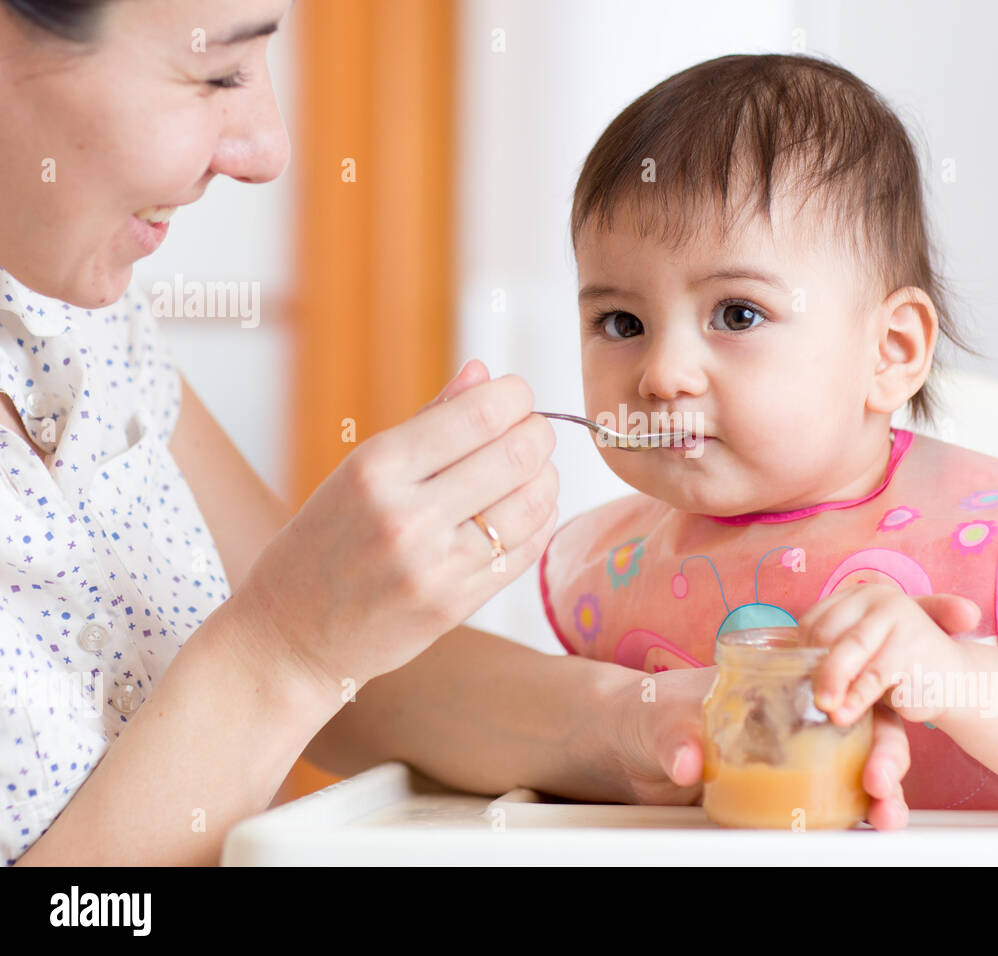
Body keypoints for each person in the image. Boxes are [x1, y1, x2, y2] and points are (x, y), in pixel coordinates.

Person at [1, 0, 774, 866]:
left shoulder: (80, 324)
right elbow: (291, 650)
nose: (267, 149)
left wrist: (642, 723)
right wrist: (282, 648)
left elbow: (355, 683)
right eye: (217, 72)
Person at [541, 54, 998, 816]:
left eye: (738, 314)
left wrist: (950, 673)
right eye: (622, 324)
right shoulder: (610, 565)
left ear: (891, 350)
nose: (663, 374)